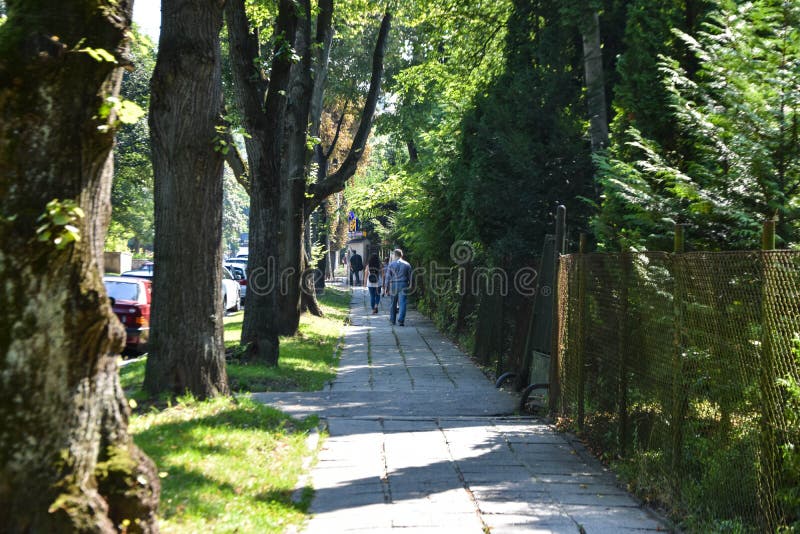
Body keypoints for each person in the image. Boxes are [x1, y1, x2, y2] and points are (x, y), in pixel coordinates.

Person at [385, 248, 412, 326]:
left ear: (395, 255)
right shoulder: (407, 264)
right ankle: (401, 320)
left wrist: (386, 287)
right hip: (403, 284)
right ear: (402, 255)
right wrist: (411, 285)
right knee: (402, 302)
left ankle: (392, 320)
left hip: (394, 285)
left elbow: (388, 277)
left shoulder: (391, 264)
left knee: (393, 302)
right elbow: (411, 276)